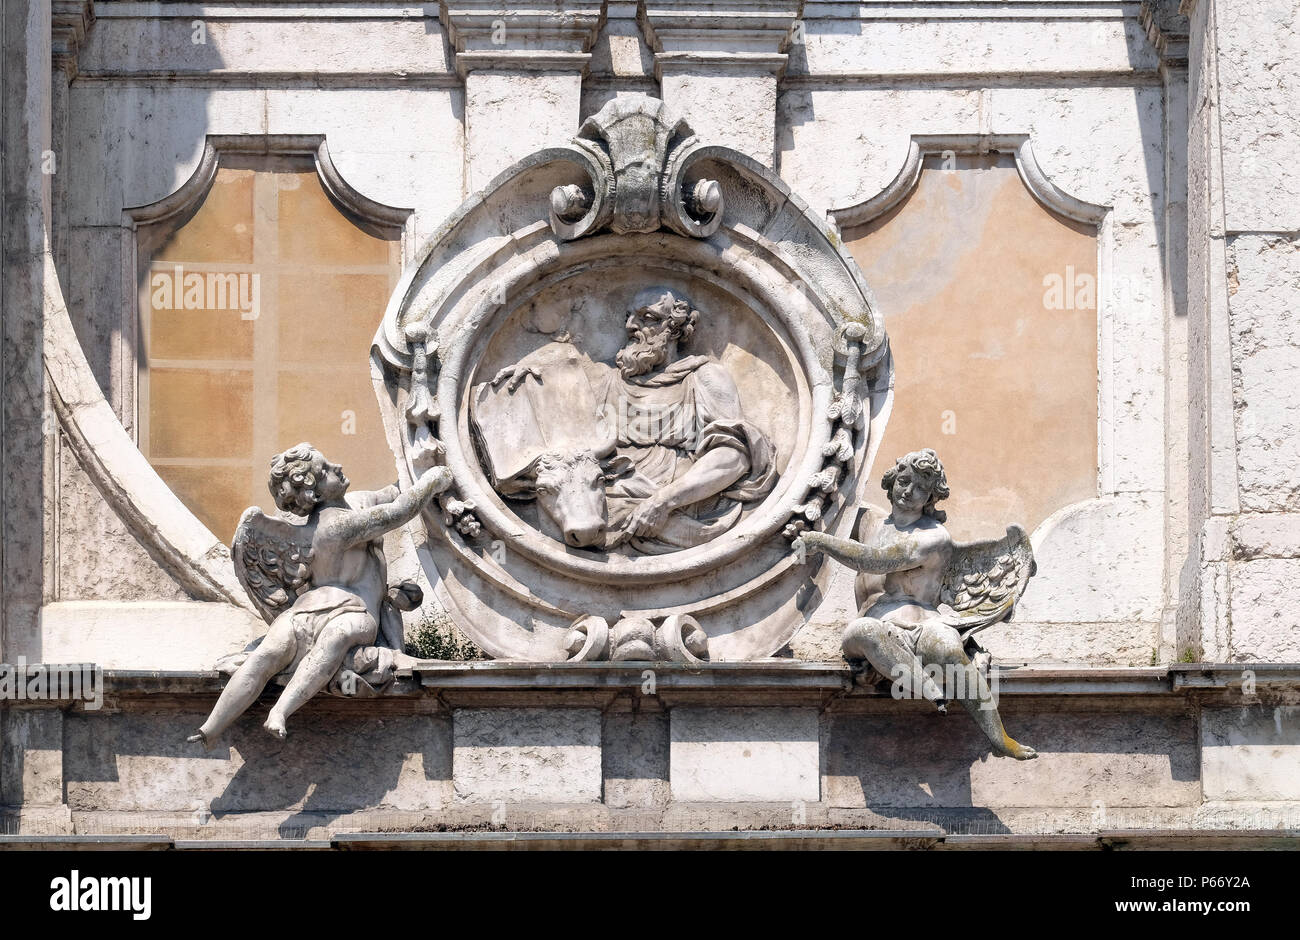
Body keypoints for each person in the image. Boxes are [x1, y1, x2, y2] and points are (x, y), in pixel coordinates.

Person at [188, 444, 450, 743]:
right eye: (325, 470)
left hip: (332, 611)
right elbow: (400, 510)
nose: (337, 466)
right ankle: (212, 727)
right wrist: (437, 478)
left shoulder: (357, 503)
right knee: (270, 653)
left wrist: (419, 467)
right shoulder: (335, 526)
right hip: (333, 611)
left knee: (304, 647)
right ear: (314, 494)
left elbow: (395, 492)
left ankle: (272, 713)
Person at [794, 449, 1036, 760]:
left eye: (921, 488)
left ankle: (999, 737)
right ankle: (930, 690)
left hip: (925, 625)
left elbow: (878, 560)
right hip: (878, 627)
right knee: (865, 630)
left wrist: (820, 541)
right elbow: (826, 511)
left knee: (946, 648)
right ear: (892, 481)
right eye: (904, 481)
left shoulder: (934, 536)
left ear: (931, 497)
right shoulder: (868, 522)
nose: (909, 492)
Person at [600, 287, 776, 552]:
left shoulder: (704, 378)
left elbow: (734, 457)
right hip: (608, 509)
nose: (630, 326)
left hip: (681, 517)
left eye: (646, 317)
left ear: (674, 328)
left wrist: (663, 501)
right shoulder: (609, 382)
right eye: (628, 317)